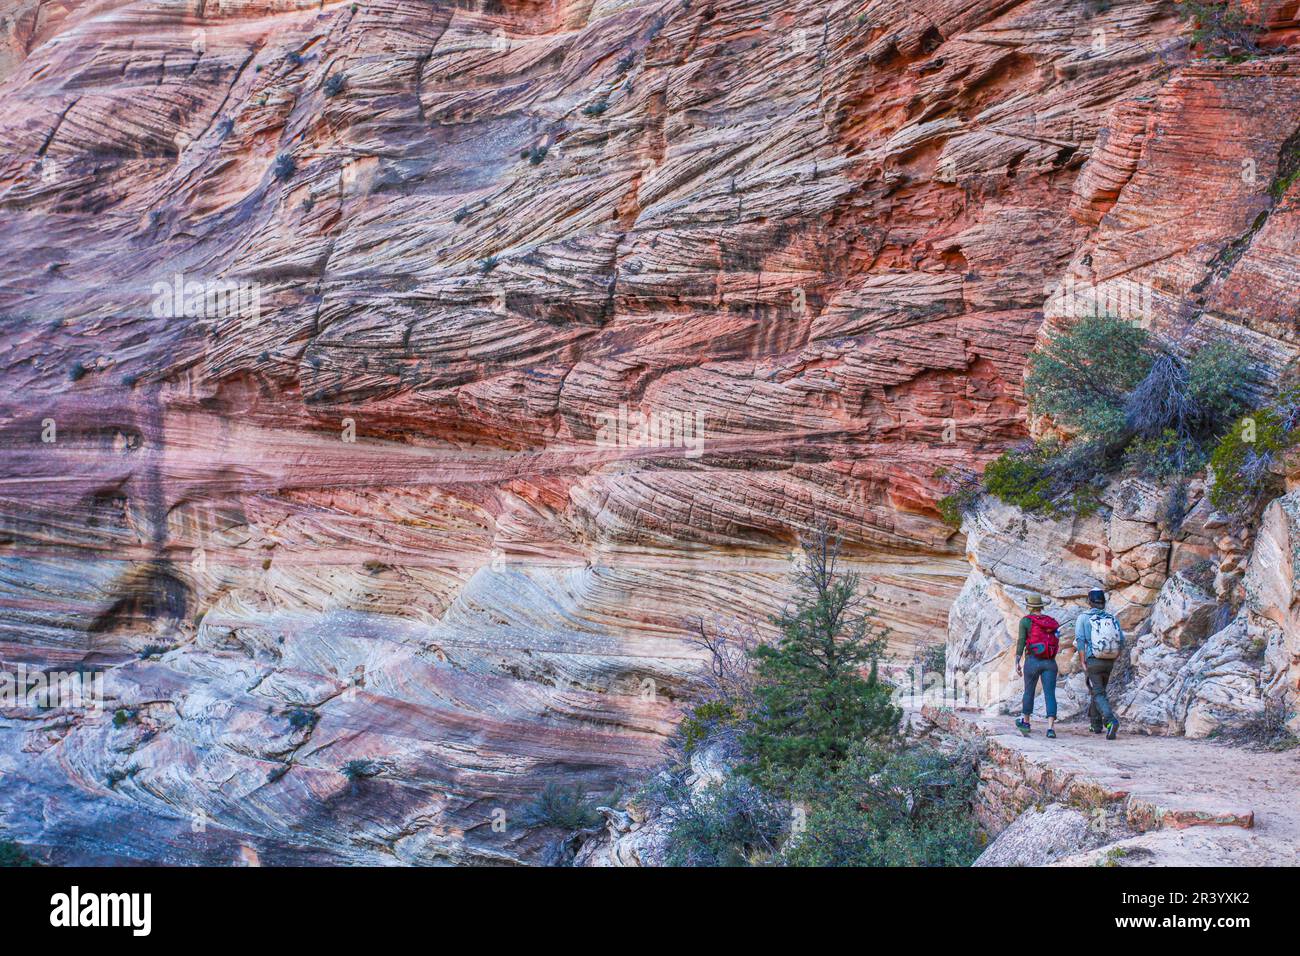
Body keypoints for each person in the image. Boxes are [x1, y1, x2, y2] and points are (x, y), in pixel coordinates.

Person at [1074, 587, 1124, 739]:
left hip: (1093, 660)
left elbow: (1080, 640)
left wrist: (1083, 661)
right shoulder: (1111, 618)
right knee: (1098, 690)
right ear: (1103, 601)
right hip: (1108, 661)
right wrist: (1114, 657)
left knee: (1098, 692)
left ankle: (1110, 721)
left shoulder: (1083, 618)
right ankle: (1096, 724)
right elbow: (1121, 640)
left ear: (1089, 601)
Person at [1014, 594, 1060, 739]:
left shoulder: (1026, 621)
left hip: (1032, 661)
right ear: (1040, 607)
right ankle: (1050, 728)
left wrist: (1017, 661)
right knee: (1050, 694)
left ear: (1029, 606)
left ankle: (1026, 723)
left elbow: (1021, 641)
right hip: (1050, 662)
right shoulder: (1051, 622)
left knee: (1029, 692)